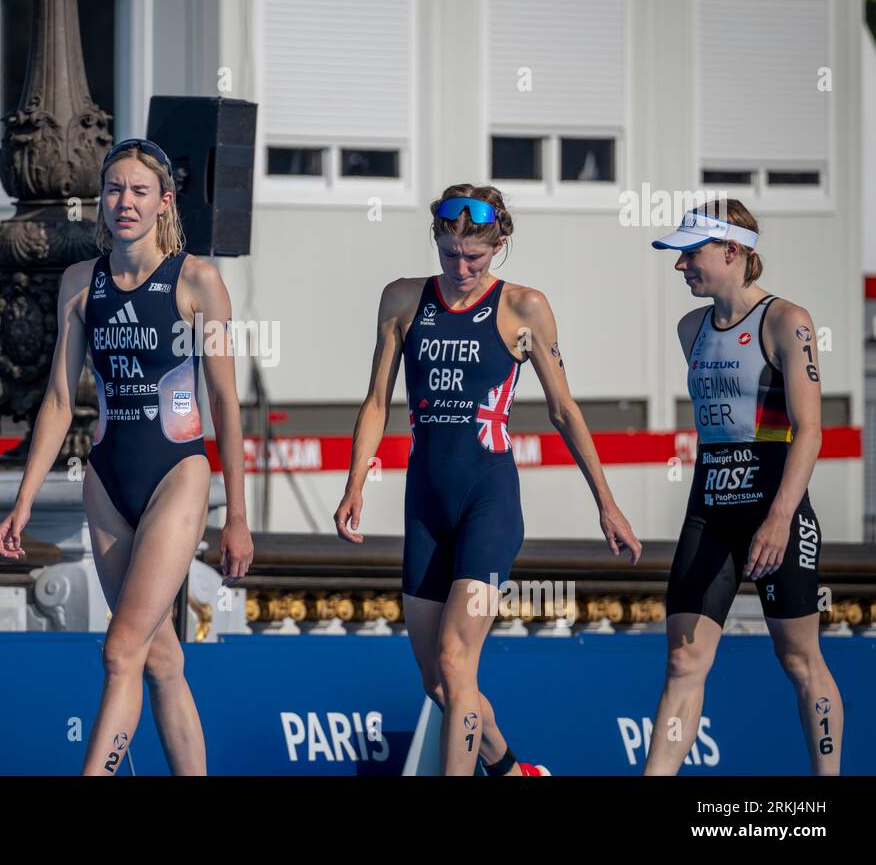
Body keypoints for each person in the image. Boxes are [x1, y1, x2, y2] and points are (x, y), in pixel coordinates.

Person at [335, 184, 643, 776]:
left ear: (499, 245)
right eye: (449, 253)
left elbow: (564, 410)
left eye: (474, 257)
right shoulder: (402, 300)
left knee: (457, 662)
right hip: (425, 501)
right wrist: (356, 483)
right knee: (439, 683)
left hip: (489, 501)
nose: (460, 268)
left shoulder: (524, 308)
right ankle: (513, 772)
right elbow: (377, 401)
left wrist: (606, 504)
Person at [0, 138, 254, 775]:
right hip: (108, 480)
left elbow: (224, 397)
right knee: (159, 658)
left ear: (164, 202)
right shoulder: (83, 284)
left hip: (177, 475)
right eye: (114, 190)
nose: (124, 202)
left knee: (119, 651)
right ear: (101, 201)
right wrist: (22, 501)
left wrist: (237, 515)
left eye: (139, 191)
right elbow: (58, 399)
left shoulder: (199, 281)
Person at [645, 201, 841, 774]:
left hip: (774, 510)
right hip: (709, 508)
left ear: (733, 251)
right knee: (683, 664)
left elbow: (810, 431)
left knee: (799, 658)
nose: (681, 265)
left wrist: (780, 518)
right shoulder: (691, 328)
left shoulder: (787, 319)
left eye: (691, 252)